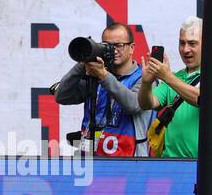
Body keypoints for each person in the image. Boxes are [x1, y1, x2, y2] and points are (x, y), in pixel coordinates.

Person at [53, 22, 149, 156]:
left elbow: (133, 104)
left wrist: (103, 75)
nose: (113, 50)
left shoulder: (144, 78)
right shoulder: (95, 77)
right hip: (89, 159)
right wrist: (83, 62)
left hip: (127, 163)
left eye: (119, 45)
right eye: (107, 46)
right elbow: (62, 96)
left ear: (131, 48)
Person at [140, 17, 203, 159]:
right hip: (167, 162)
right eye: (182, 43)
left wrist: (167, 76)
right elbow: (146, 104)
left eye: (192, 43)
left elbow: (199, 98)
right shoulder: (175, 77)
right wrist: (146, 83)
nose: (186, 49)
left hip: (201, 166)